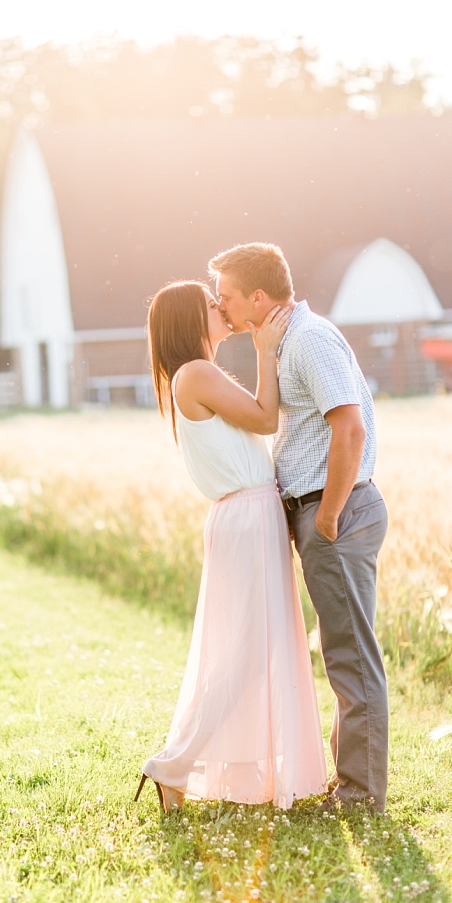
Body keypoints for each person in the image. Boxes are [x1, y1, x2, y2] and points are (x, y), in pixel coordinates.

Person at [210, 242, 389, 813]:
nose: (223, 307)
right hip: (318, 511)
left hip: (334, 511)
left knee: (350, 654)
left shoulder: (309, 340)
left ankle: (361, 796)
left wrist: (329, 515)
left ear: (258, 298)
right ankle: (351, 783)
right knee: (341, 649)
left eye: (229, 297)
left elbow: (350, 431)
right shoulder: (284, 342)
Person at [137, 279, 327, 812]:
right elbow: (267, 417)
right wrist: (266, 353)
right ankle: (174, 764)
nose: (222, 307)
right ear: (189, 321)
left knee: (248, 650)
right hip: (246, 514)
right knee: (245, 654)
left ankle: (189, 764)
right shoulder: (196, 374)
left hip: (247, 514)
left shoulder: (195, 375)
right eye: (210, 303)